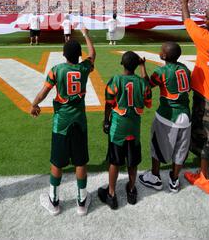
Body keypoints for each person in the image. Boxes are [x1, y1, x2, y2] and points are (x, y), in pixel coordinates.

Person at [30, 27, 96, 216]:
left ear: (63, 54)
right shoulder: (84, 68)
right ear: (79, 55)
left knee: (57, 162)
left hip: (61, 122)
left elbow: (44, 92)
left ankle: (54, 201)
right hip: (79, 121)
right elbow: (92, 54)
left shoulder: (56, 70)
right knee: (80, 161)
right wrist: (86, 35)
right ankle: (82, 202)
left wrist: (34, 104)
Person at [98, 52, 152, 208]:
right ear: (136, 65)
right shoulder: (142, 84)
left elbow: (109, 103)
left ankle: (112, 194)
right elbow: (148, 98)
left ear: (122, 63)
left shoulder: (116, 80)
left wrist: (106, 121)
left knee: (115, 161)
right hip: (134, 128)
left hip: (118, 128)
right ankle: (131, 190)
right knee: (132, 161)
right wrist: (143, 67)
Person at [180, 0, 209, 194]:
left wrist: (183, 2)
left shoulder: (205, 38)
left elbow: (187, 21)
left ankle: (204, 178)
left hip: (208, 99)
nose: (204, 19)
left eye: (207, 17)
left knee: (204, 138)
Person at [139, 42, 191, 193]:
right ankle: (174, 180)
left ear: (164, 56)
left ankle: (155, 177)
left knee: (157, 146)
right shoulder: (185, 69)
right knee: (180, 151)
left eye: (161, 50)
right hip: (186, 116)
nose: (159, 51)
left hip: (167, 116)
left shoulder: (162, 71)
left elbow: (147, 86)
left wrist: (142, 66)